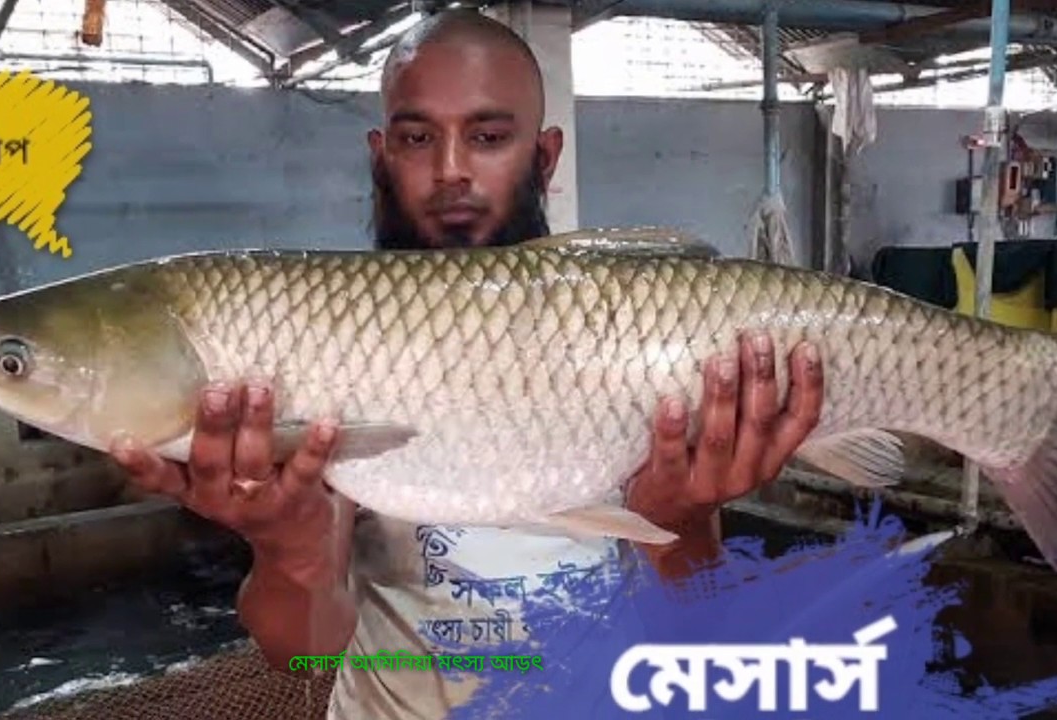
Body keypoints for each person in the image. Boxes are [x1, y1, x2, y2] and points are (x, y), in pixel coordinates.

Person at [109, 9, 824, 719]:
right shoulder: (327, 340)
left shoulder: (641, 337)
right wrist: (286, 548)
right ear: (380, 153)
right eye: (418, 137)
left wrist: (684, 523)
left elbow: (699, 633)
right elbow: (306, 654)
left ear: (544, 157)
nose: (450, 171)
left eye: (487, 137)